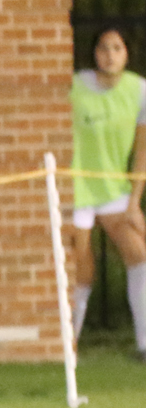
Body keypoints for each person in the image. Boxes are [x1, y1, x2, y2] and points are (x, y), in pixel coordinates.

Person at [65, 27, 146, 355]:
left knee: (138, 254)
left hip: (114, 188)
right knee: (81, 266)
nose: (109, 55)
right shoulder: (74, 86)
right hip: (78, 187)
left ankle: (143, 343)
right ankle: (68, 346)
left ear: (126, 53)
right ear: (94, 52)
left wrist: (134, 203)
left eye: (116, 48)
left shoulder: (139, 90)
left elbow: (142, 152)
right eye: (103, 48)